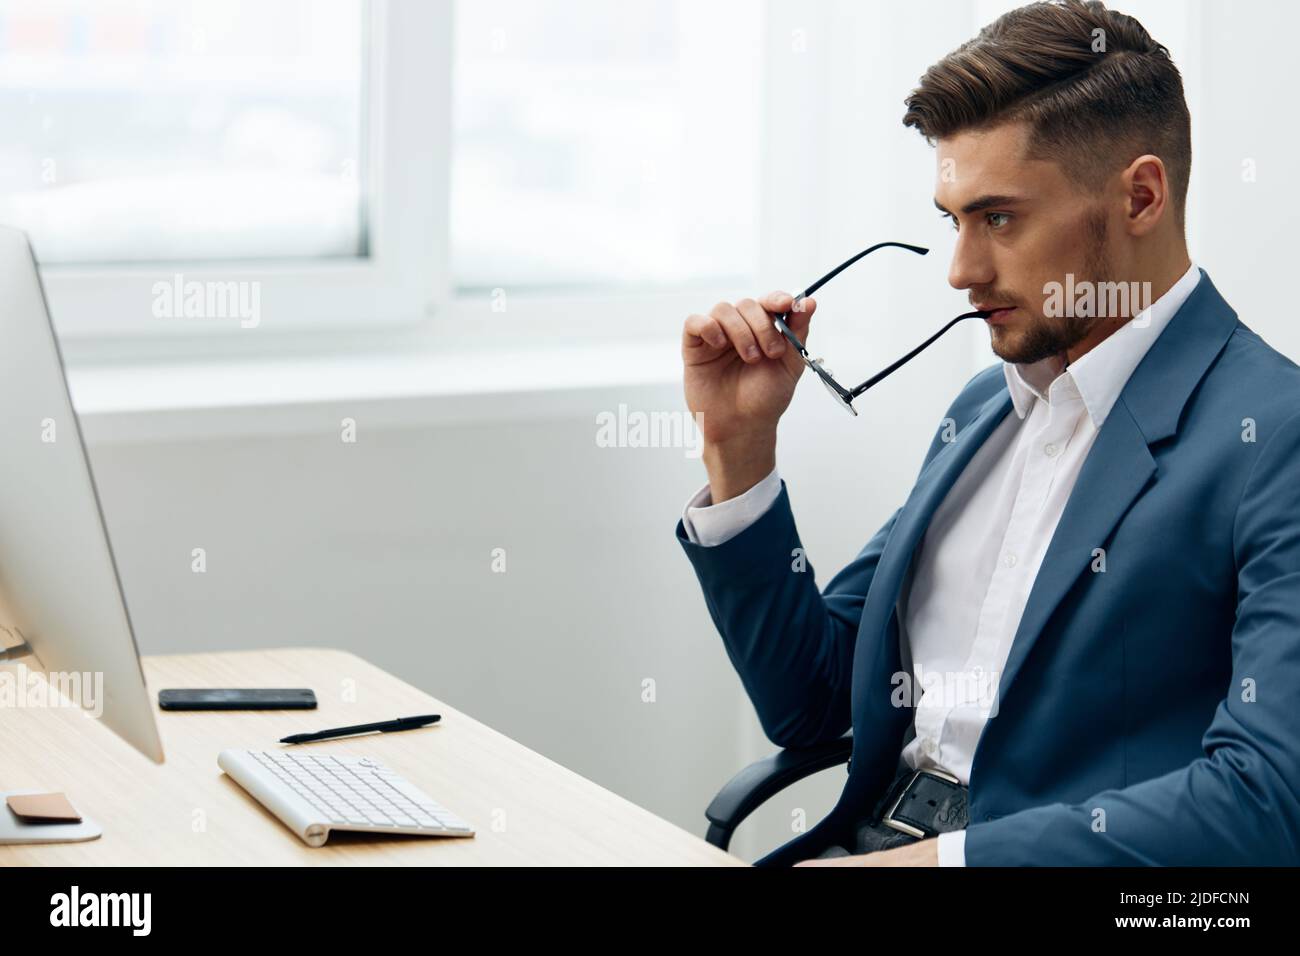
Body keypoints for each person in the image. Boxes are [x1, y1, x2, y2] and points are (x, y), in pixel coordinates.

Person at [676, 0, 1300, 866]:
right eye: (953, 220)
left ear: (1142, 197)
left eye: (1000, 218)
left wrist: (941, 863)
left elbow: (1266, 803)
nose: (962, 273)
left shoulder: (1274, 437)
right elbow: (815, 707)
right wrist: (740, 454)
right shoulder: (984, 410)